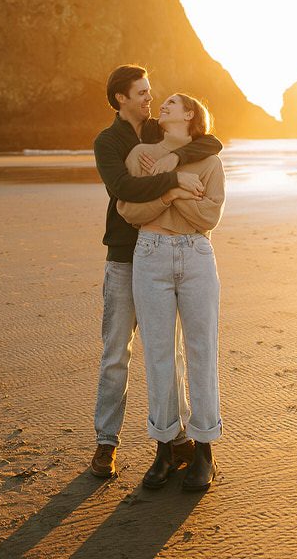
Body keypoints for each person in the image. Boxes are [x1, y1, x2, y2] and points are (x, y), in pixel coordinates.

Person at [91, 65, 222, 480]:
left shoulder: (154, 134)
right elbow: (125, 193)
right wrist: (174, 183)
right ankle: (106, 444)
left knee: (183, 351)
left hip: (180, 249)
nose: (150, 99)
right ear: (121, 98)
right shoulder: (110, 142)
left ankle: (187, 442)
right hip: (127, 254)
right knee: (119, 350)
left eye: (153, 93)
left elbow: (208, 141)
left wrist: (173, 162)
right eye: (143, 93)